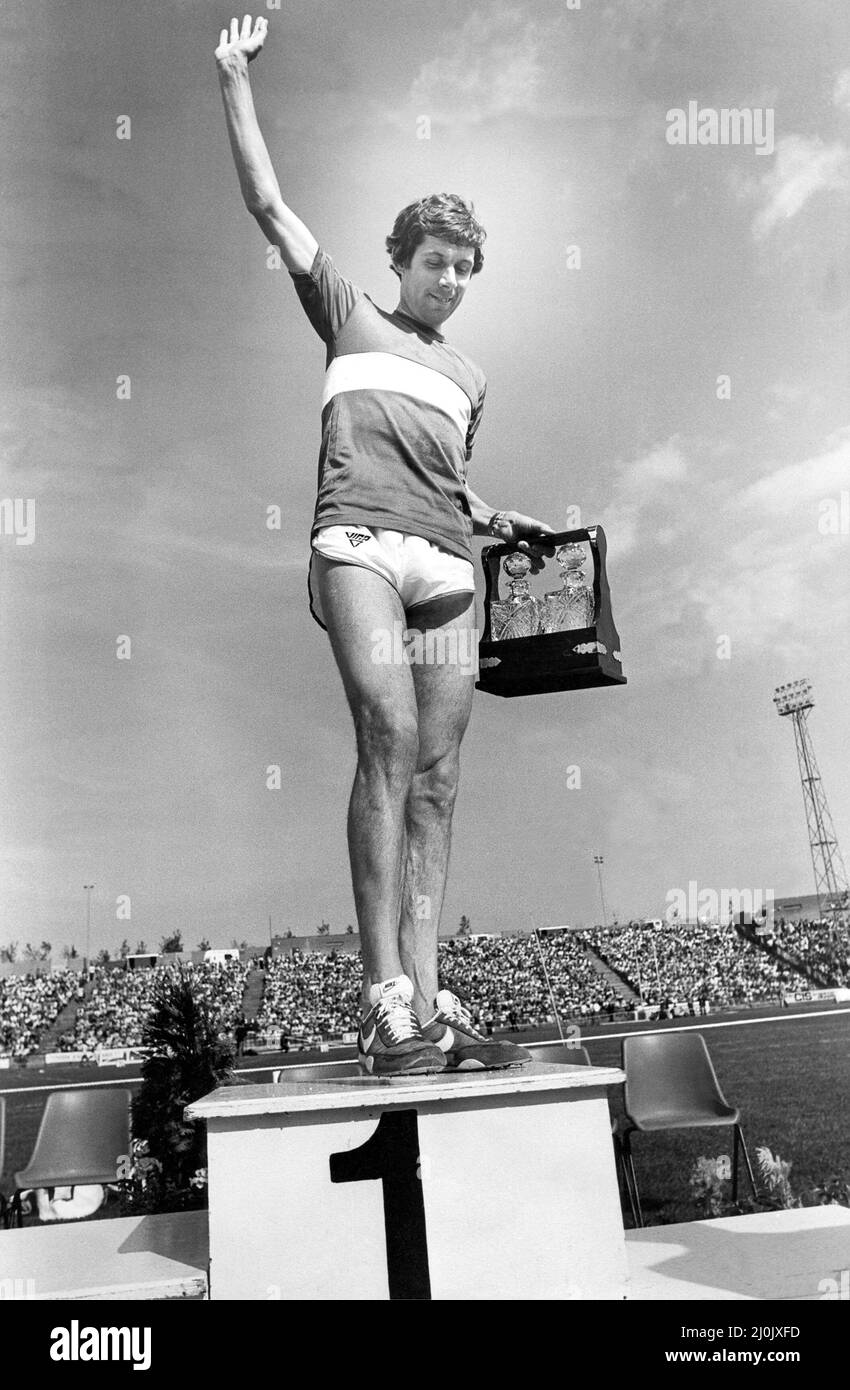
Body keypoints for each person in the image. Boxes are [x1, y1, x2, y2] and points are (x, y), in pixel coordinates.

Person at [216, 15, 553, 1076]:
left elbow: (440, 471)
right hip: (358, 546)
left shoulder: (472, 377)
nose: (449, 280)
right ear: (399, 260)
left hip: (447, 567)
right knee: (391, 738)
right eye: (435, 262)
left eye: (465, 268)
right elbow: (268, 204)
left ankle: (431, 1000)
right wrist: (233, 79)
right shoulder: (346, 310)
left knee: (440, 780)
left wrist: (493, 517)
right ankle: (384, 1002)